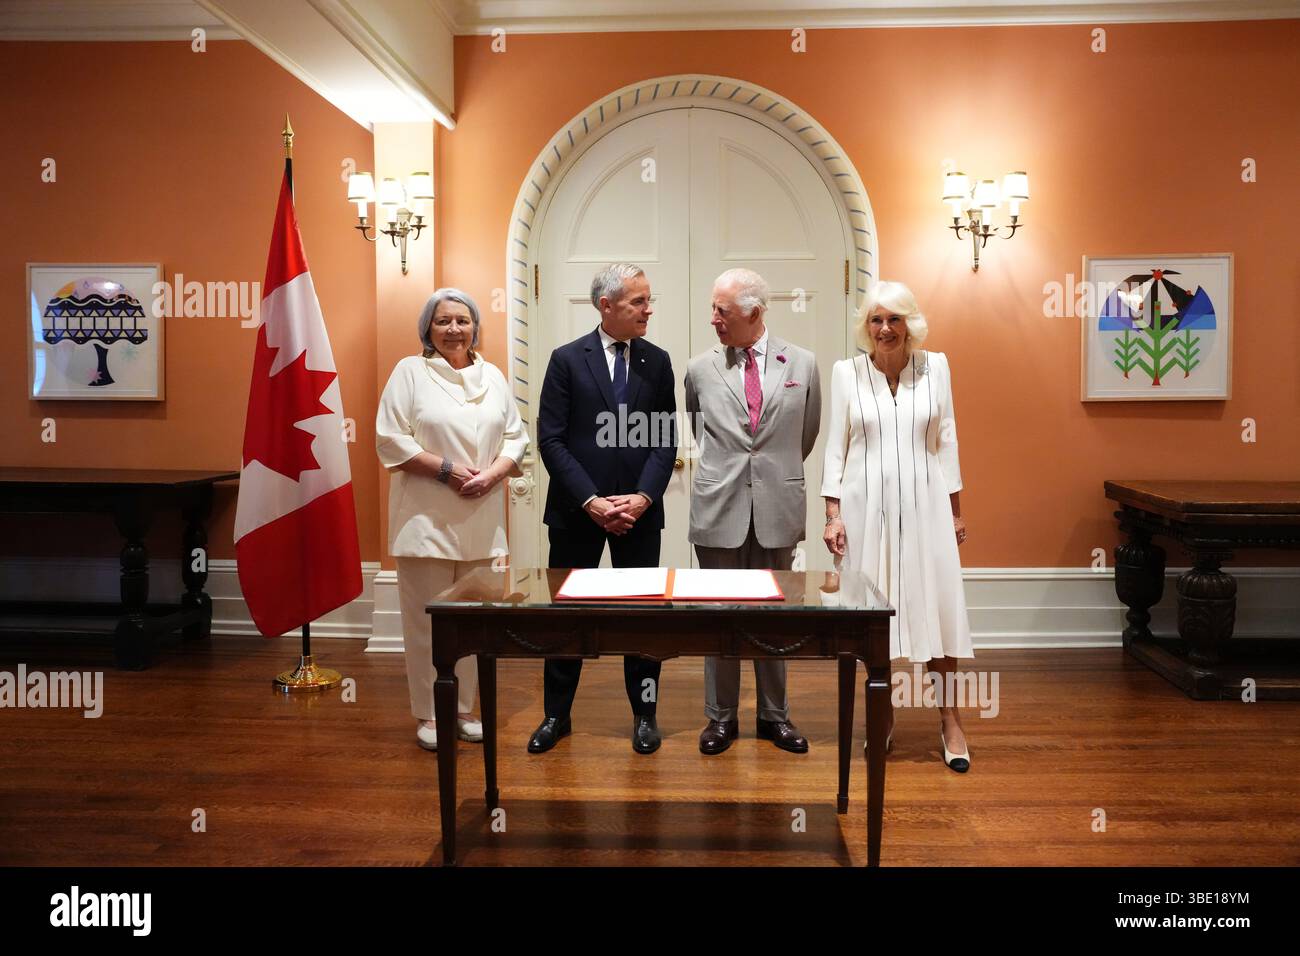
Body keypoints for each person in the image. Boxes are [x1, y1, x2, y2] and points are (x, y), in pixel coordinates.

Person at [821, 281, 974, 772]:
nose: (884, 329)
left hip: (927, 505)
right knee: (871, 618)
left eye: (894, 319)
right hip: (865, 510)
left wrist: (955, 509)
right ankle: (880, 717)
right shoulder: (847, 373)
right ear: (866, 327)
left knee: (937, 611)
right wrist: (832, 514)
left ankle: (950, 719)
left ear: (910, 324)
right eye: (875, 320)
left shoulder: (937, 367)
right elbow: (836, 448)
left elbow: (946, 439)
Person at [531, 263, 677, 755]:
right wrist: (592, 500)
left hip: (638, 515)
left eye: (648, 300)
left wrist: (642, 497)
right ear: (606, 306)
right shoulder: (567, 360)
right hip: (577, 514)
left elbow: (664, 440)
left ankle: (644, 716)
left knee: (642, 623)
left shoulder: (657, 363)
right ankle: (556, 715)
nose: (648, 309)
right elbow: (550, 440)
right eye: (639, 302)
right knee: (566, 620)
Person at [376, 289, 527, 752]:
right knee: (427, 623)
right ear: (428, 329)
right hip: (425, 521)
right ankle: (429, 713)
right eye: (443, 322)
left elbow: (515, 437)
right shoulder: (410, 372)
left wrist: (494, 474)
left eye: (462, 321)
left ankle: (462, 709)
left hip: (482, 519)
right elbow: (390, 439)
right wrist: (448, 470)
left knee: (473, 622)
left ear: (475, 327)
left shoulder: (494, 376)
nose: (454, 329)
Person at [684, 268, 820, 755]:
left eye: (723, 311)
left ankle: (774, 717)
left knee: (771, 618)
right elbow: (700, 431)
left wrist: (768, 478)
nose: (713, 320)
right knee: (719, 618)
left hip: (777, 509)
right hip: (718, 510)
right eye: (713, 309)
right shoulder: (700, 370)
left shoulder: (802, 364)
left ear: (755, 313)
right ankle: (720, 719)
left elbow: (804, 436)